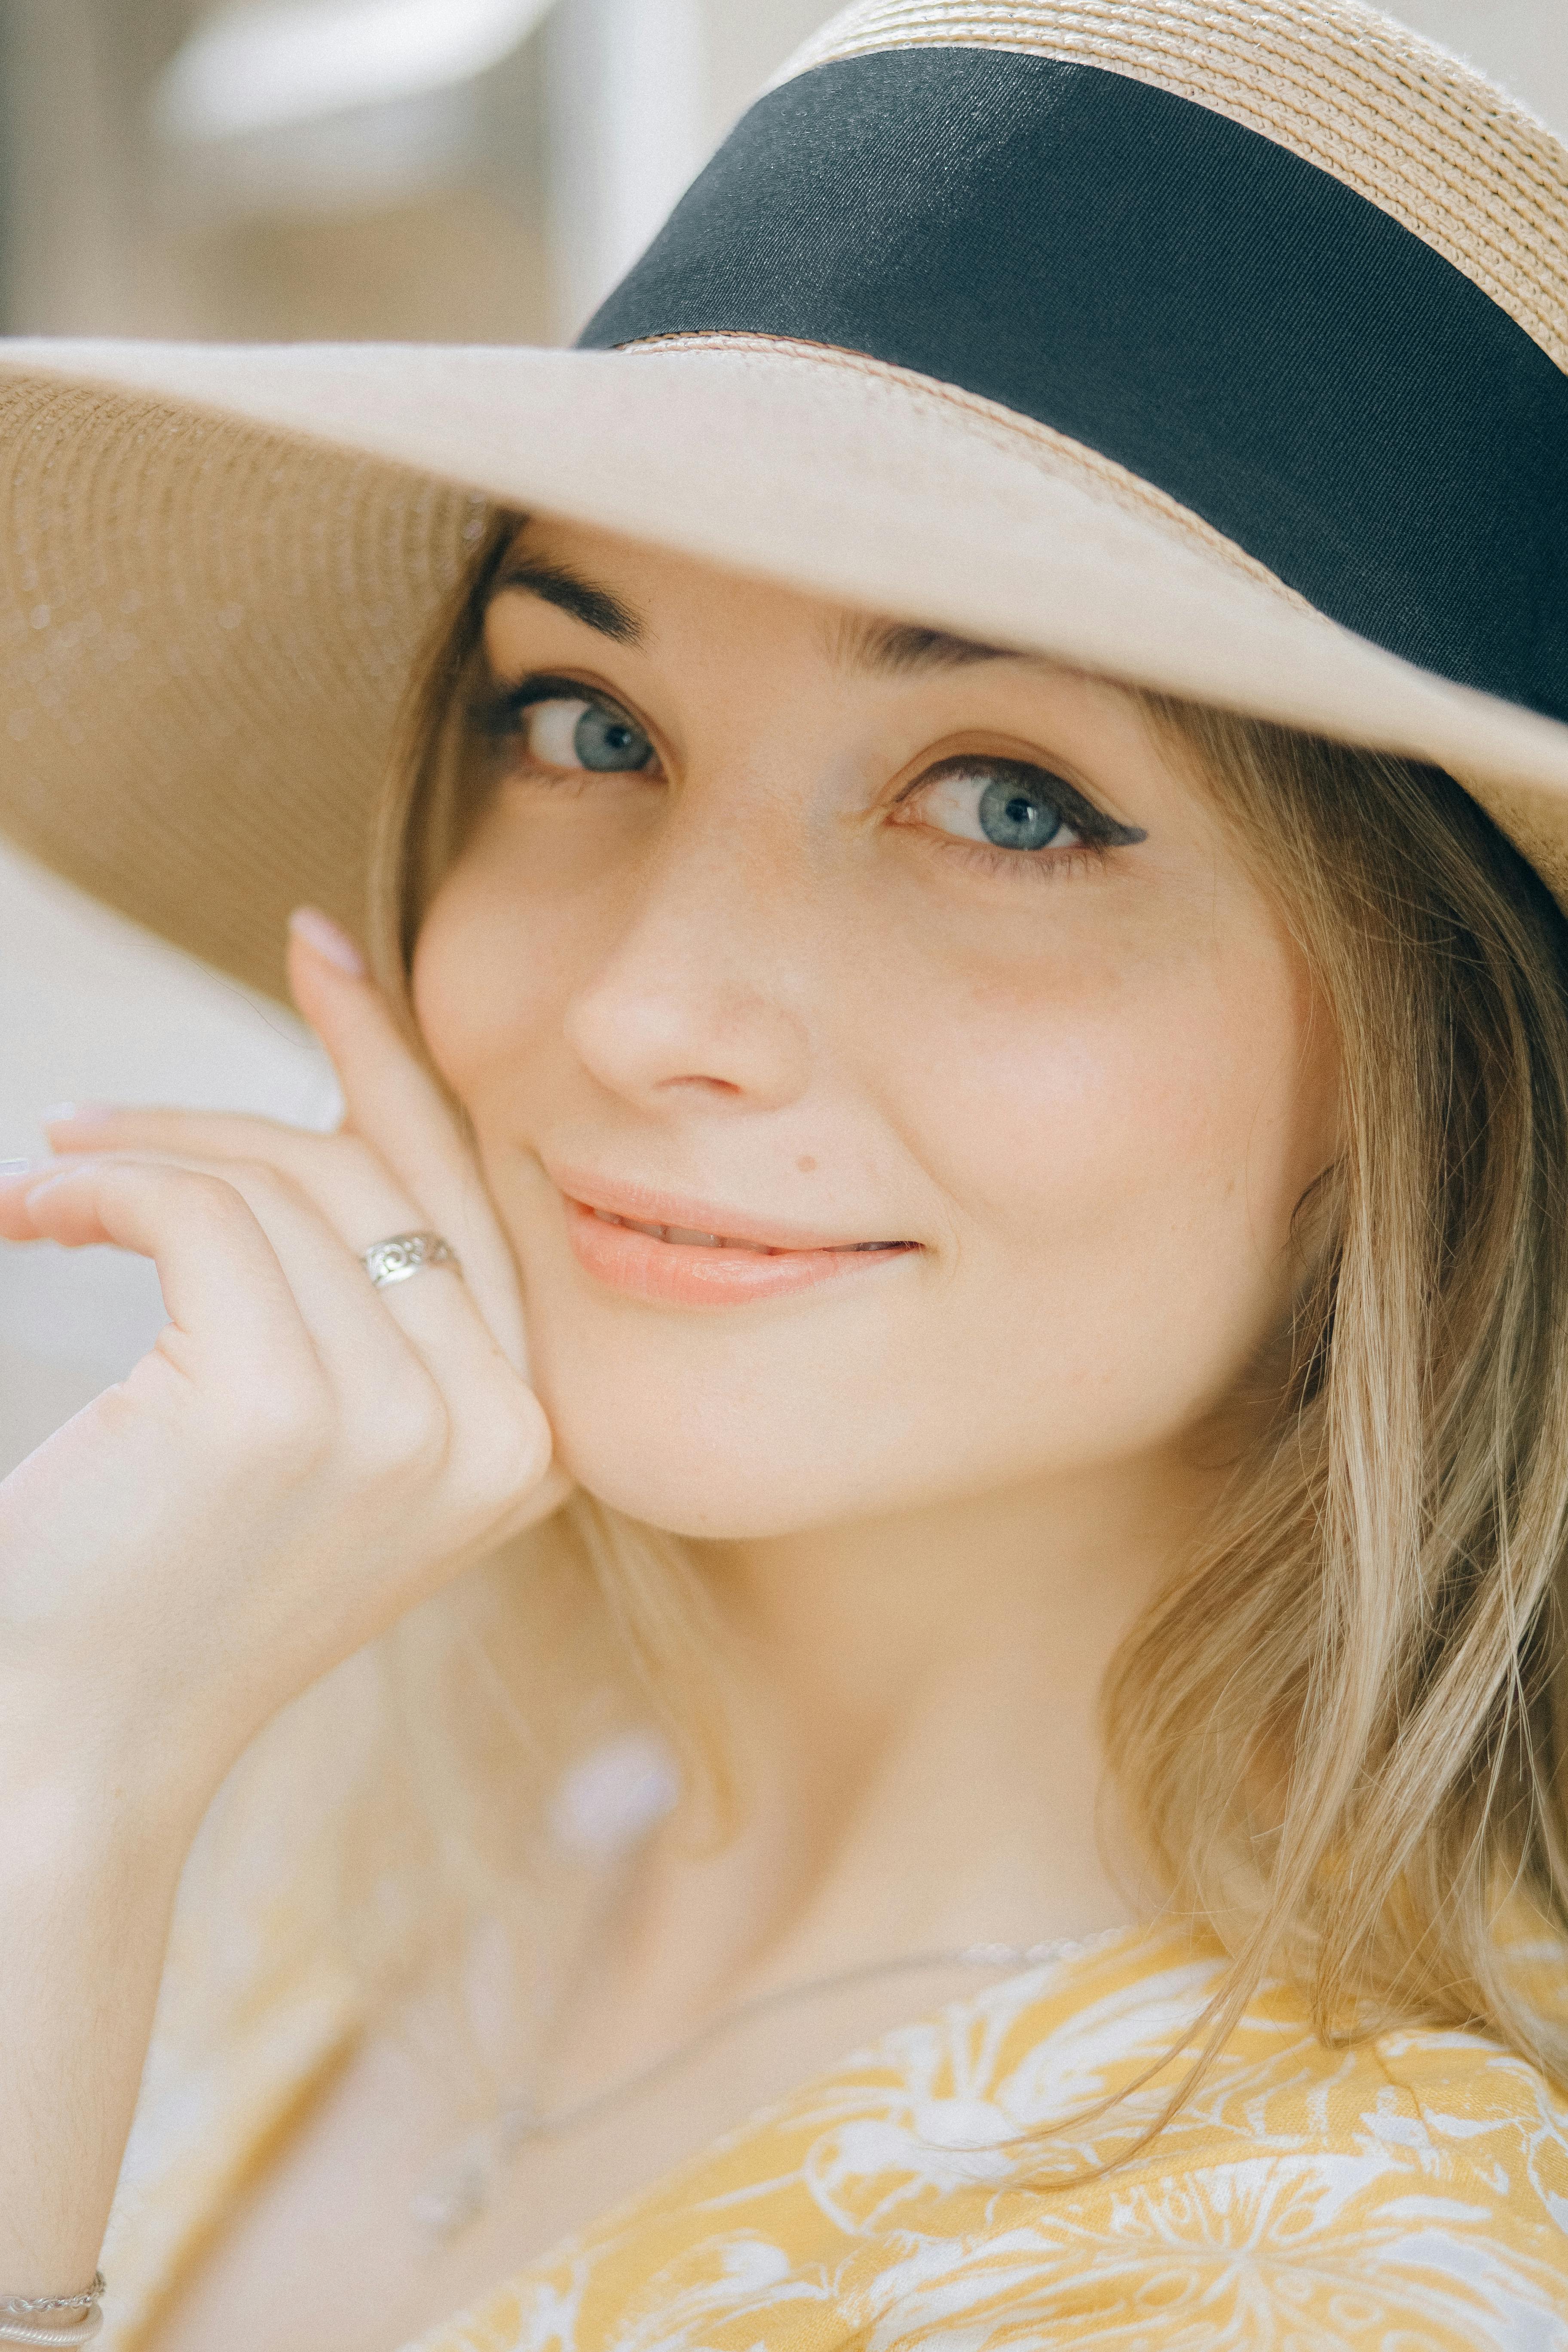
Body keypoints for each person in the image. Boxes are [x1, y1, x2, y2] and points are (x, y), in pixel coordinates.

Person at [0, 0, 1565, 2345]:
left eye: (1012, 802)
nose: (647, 1009)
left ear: (1432, 1050)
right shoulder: (378, 1799)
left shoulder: (1360, 2269)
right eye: (585, 723)